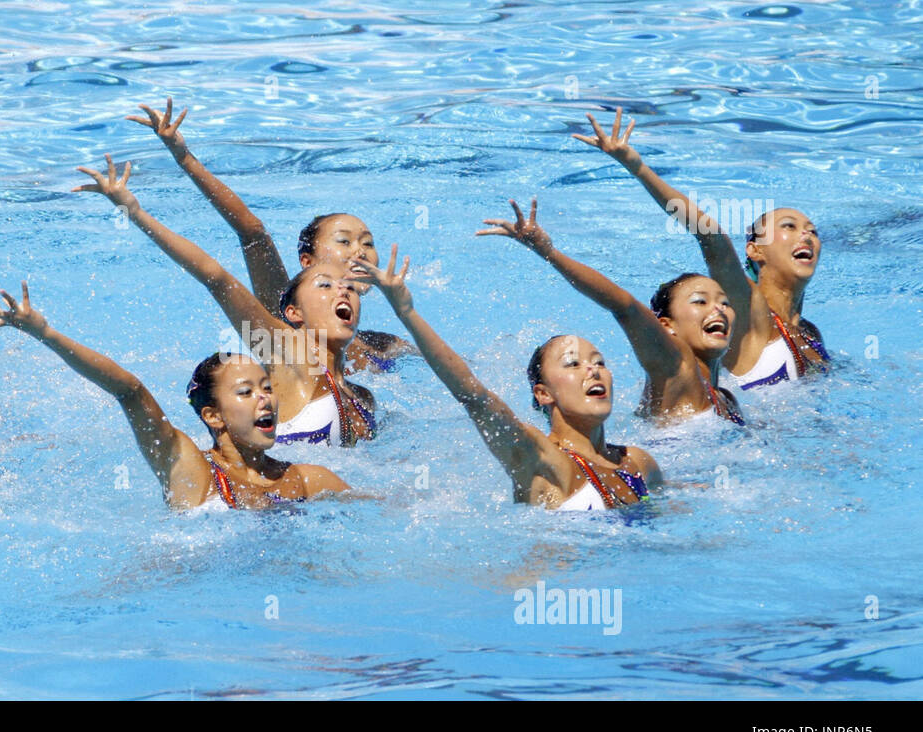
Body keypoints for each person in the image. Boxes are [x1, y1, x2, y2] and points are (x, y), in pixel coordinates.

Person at [74, 154, 376, 446]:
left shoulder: (362, 399)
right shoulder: (287, 351)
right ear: (294, 313)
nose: (342, 291)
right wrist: (137, 213)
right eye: (325, 285)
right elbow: (215, 277)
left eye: (348, 288)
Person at [0, 282, 349, 510]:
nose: (264, 398)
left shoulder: (307, 480)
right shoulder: (193, 471)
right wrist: (47, 334)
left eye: (267, 388)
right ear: (213, 416)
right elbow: (129, 390)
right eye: (246, 392)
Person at [350, 248, 661, 510]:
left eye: (599, 362)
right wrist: (407, 312)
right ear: (543, 394)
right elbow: (472, 395)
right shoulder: (538, 457)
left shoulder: (637, 463)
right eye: (573, 364)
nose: (593, 370)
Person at [128, 98, 415, 373]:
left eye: (368, 243)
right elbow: (251, 232)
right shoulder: (285, 320)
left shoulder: (383, 344)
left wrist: (406, 309)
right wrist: (184, 157)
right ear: (307, 261)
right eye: (344, 241)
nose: (360, 251)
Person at [572, 110, 829, 389]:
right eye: (789, 226)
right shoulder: (746, 312)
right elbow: (710, 236)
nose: (806, 234)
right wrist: (639, 169)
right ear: (755, 251)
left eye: (812, 230)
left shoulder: (808, 332)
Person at [479, 198, 745, 425]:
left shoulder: (723, 396)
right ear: (666, 325)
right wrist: (549, 253)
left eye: (725, 303)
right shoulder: (676, 364)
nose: (718, 309)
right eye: (700, 301)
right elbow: (624, 306)